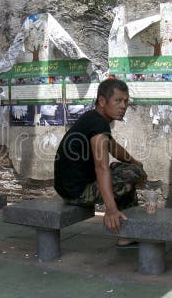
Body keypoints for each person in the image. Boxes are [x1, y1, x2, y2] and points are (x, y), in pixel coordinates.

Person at [54, 78, 147, 248]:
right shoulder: (97, 123)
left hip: (69, 188)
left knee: (127, 169)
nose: (123, 106)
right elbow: (101, 167)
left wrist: (135, 162)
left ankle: (127, 232)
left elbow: (112, 146)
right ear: (102, 101)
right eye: (118, 100)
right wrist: (110, 209)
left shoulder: (94, 119)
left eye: (126, 101)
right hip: (78, 193)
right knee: (131, 173)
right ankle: (125, 233)